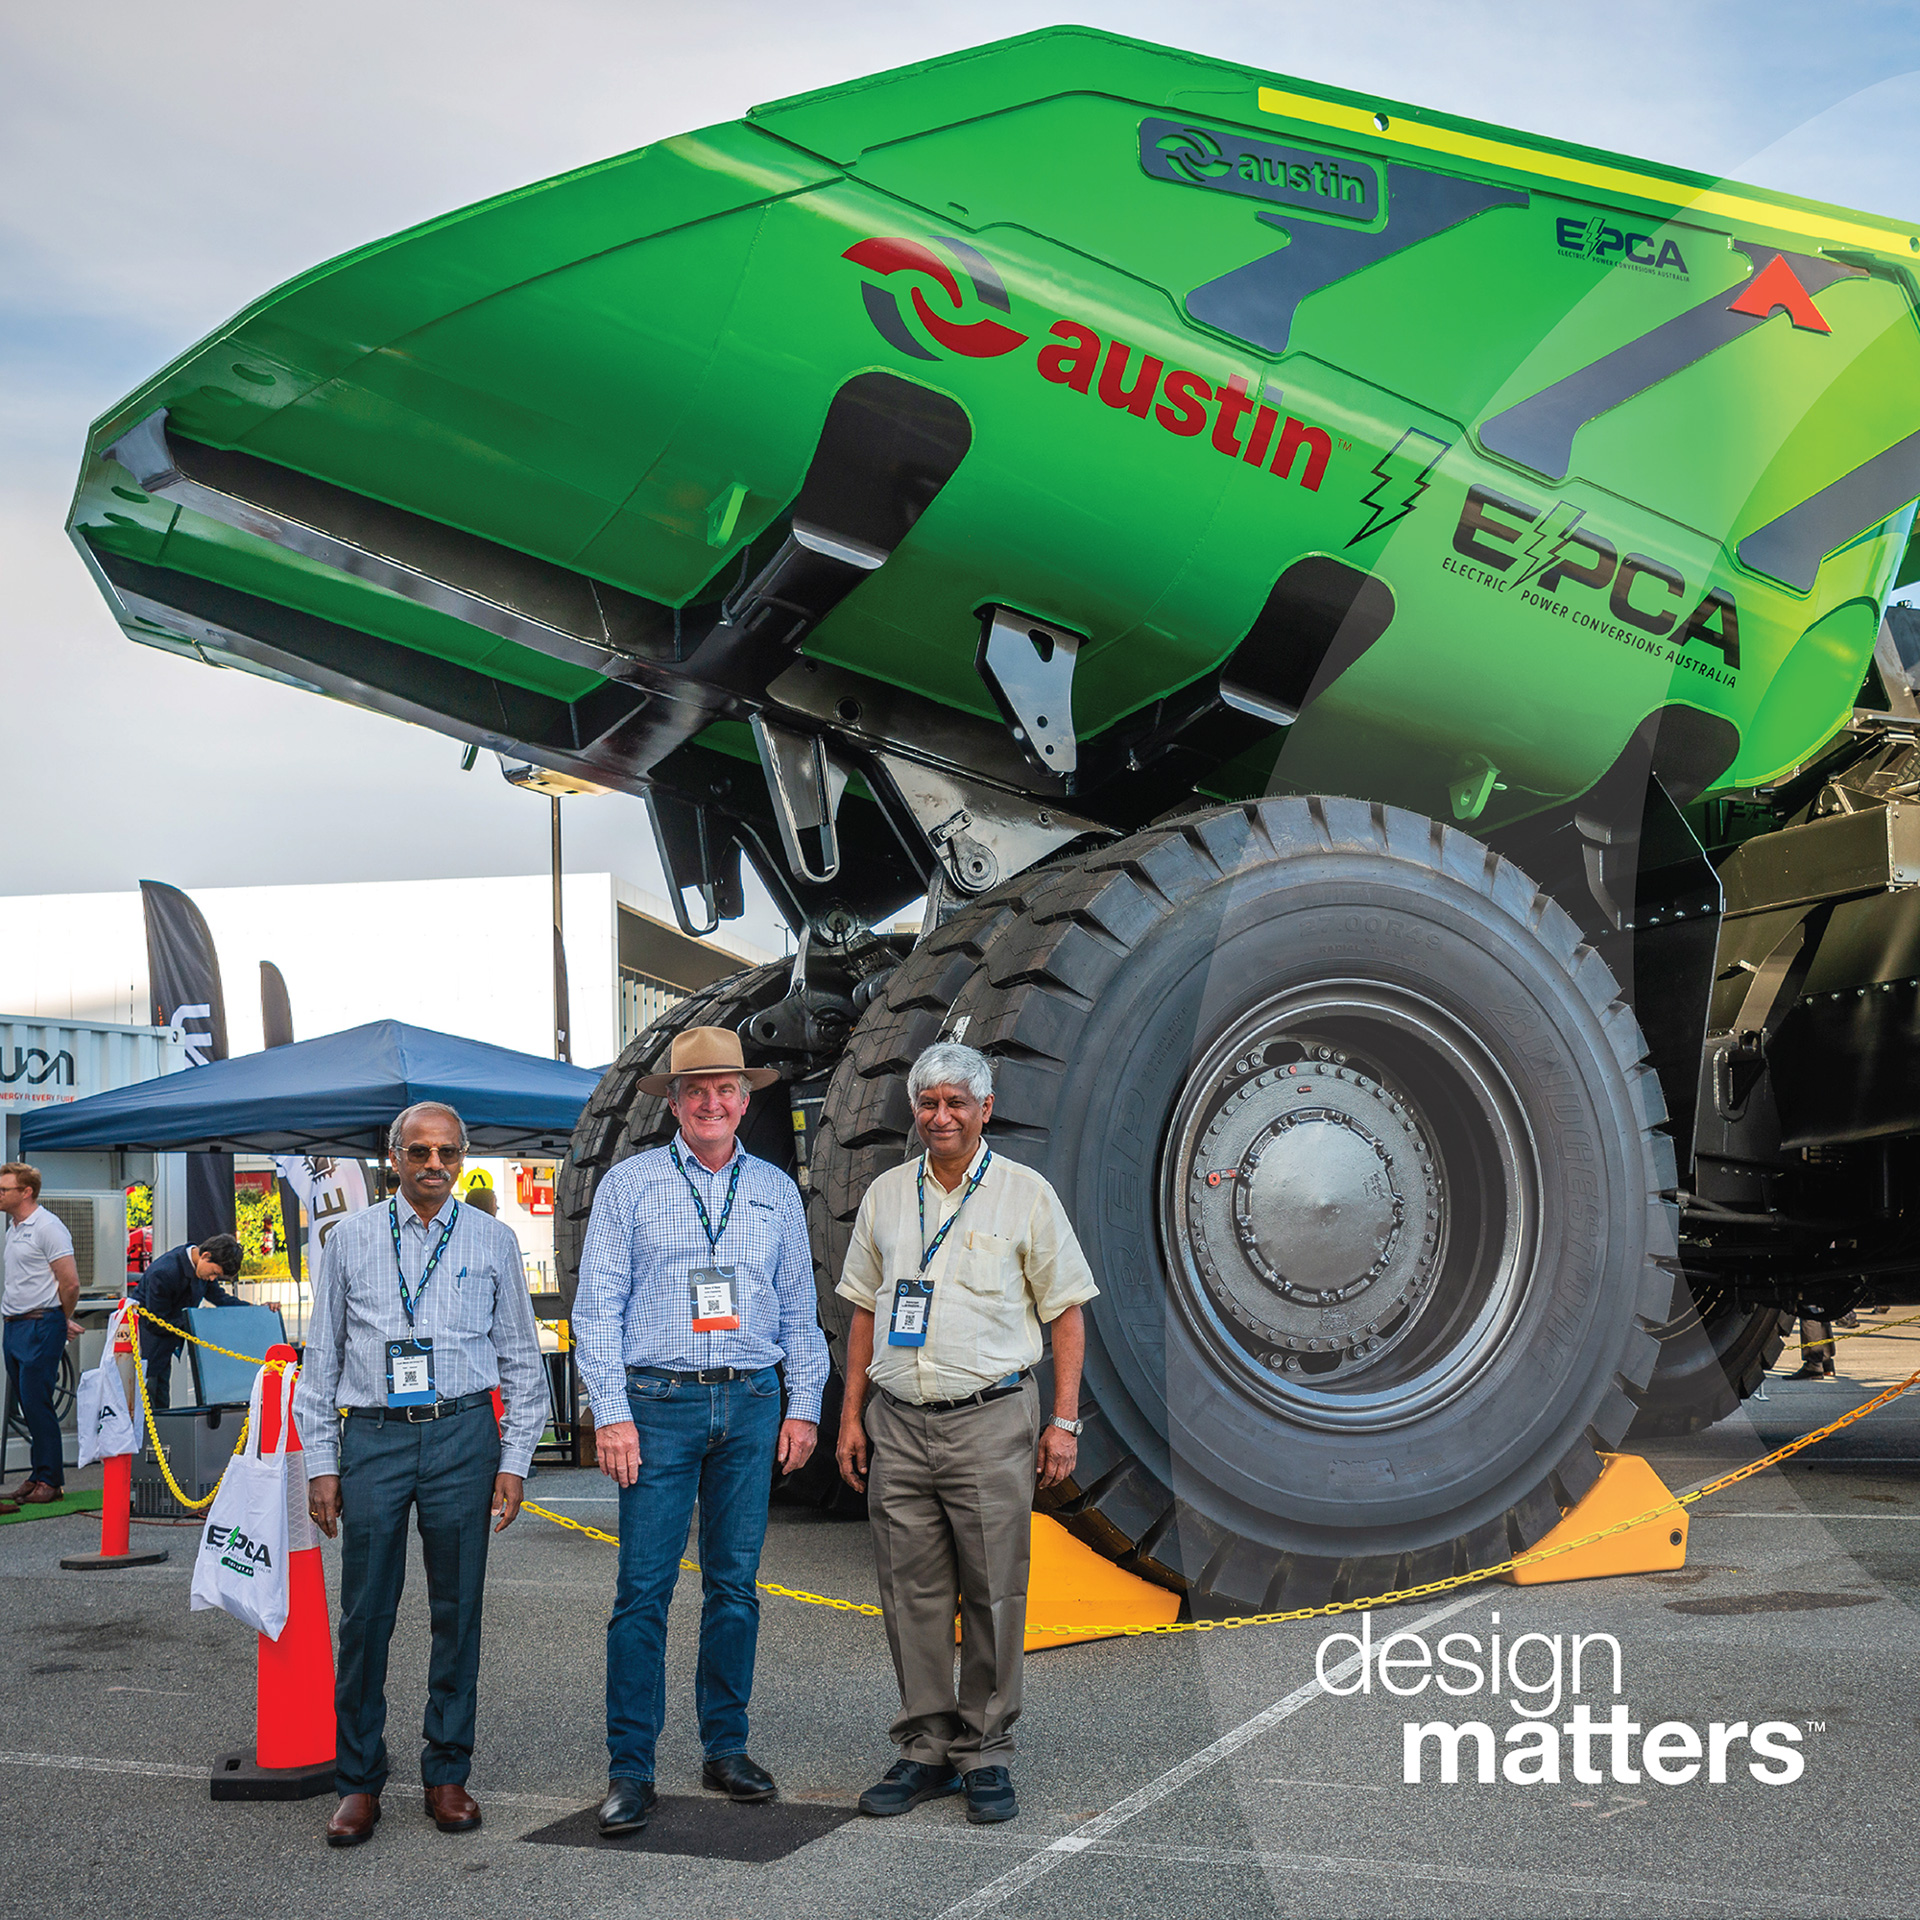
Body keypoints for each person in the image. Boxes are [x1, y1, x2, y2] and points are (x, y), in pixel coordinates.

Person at [572, 1027, 828, 1838]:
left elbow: (799, 1308)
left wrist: (803, 1404)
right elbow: (595, 1311)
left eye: (725, 1090)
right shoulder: (630, 1186)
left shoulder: (776, 1191)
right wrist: (609, 1412)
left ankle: (726, 1747)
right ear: (674, 1104)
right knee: (641, 1592)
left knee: (734, 1589)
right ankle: (630, 1770)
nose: (712, 1103)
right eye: (695, 1091)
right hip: (656, 1405)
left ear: (745, 1101)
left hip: (751, 1404)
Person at [835, 1042, 1097, 1827]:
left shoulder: (1026, 1195)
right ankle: (924, 1746)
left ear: (985, 1109)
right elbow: (861, 1311)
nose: (939, 1116)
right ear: (914, 1111)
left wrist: (1063, 1421)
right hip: (899, 1422)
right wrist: (850, 1415)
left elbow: (1067, 1314)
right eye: (927, 1103)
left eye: (956, 1103)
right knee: (909, 1594)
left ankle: (984, 1751)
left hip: (990, 1418)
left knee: (992, 1589)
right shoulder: (886, 1195)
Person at [292, 1102, 544, 1849]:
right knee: (365, 1614)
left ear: (462, 1160)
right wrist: (321, 1465)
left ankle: (447, 1771)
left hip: (464, 1435)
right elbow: (321, 1357)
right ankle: (358, 1780)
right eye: (420, 1152)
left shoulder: (493, 1239)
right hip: (371, 1437)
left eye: (448, 1154)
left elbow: (521, 1360)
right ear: (392, 1156)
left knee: (456, 1611)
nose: (434, 1166)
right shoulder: (350, 1240)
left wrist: (514, 1459)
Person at [0, 1164, 84, 1512]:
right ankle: (39, 1474)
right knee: (26, 1402)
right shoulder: (13, 1227)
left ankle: (50, 1479)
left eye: (4, 1189)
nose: (0, 1194)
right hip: (16, 1323)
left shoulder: (48, 1227)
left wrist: (59, 1319)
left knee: (37, 1402)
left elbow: (70, 1282)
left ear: (26, 1192)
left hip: (39, 1322)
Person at [131, 1233, 244, 1410]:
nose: (213, 1279)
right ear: (205, 1256)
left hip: (168, 1339)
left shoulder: (201, 1269)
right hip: (148, 1340)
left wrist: (255, 1308)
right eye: (214, 1273)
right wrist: (195, 1322)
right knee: (149, 1395)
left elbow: (220, 1298)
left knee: (161, 1394)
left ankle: (161, 1432)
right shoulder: (164, 1272)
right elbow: (155, 1321)